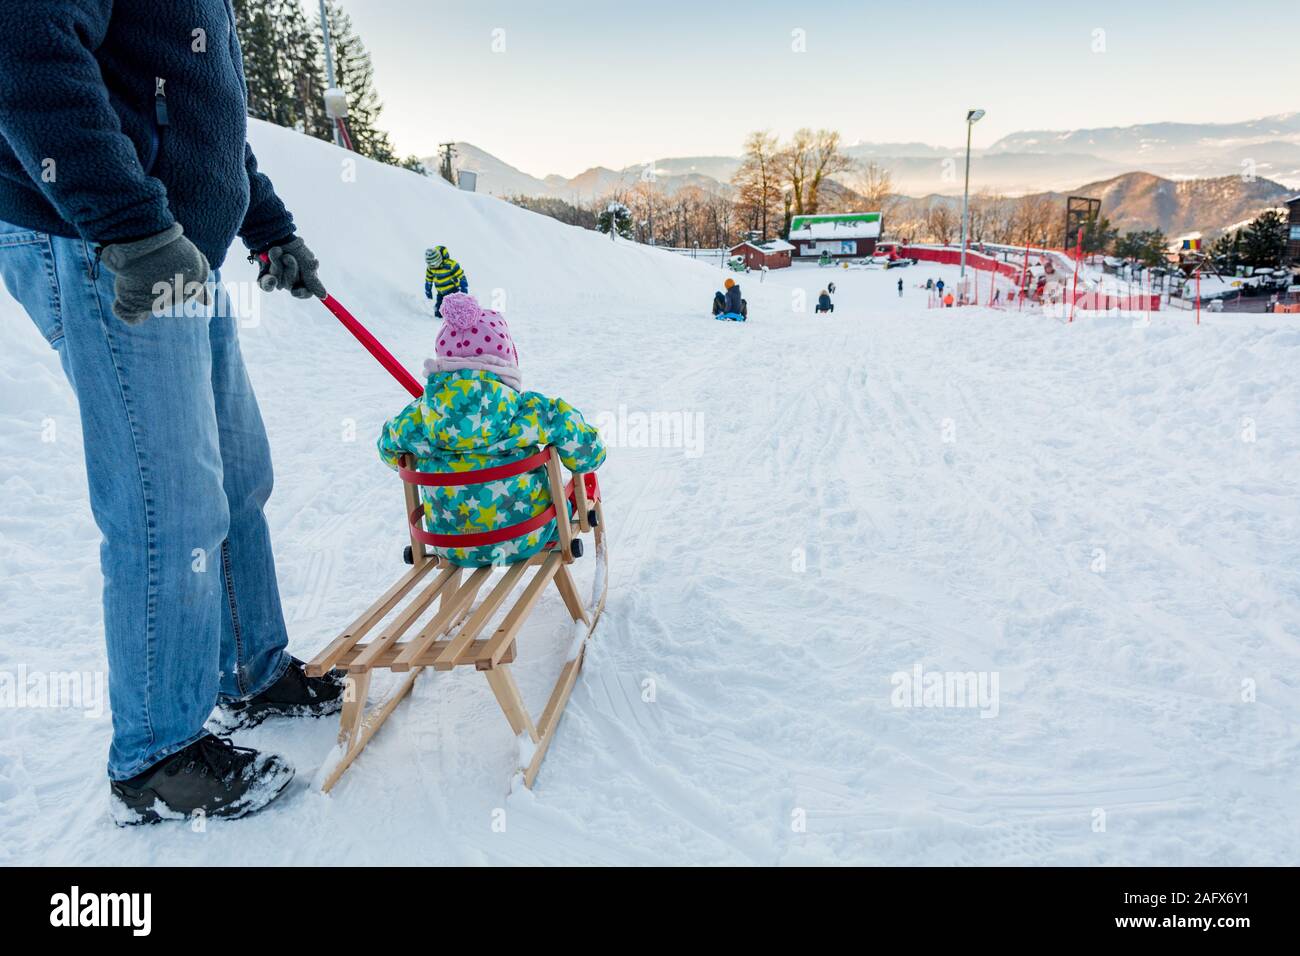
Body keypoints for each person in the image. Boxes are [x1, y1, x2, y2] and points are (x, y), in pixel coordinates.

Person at [0, 0, 346, 824]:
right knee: (168, 504)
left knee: (235, 476)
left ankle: (249, 672)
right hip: (100, 239)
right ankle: (157, 756)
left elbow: (195, 106)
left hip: (173, 239)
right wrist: (127, 225)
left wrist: (268, 227)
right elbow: (23, 47)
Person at [377, 293, 606, 567]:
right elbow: (587, 452)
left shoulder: (420, 415)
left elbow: (388, 450)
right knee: (558, 500)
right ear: (506, 361)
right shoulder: (529, 410)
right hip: (529, 535)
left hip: (450, 544)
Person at [424, 245, 468, 317]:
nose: (434, 266)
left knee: (453, 308)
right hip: (440, 292)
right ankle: (439, 318)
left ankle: (457, 318)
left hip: (453, 291)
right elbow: (429, 279)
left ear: (439, 258)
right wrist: (428, 290)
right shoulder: (430, 268)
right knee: (439, 312)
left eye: (436, 263)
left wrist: (464, 288)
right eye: (431, 264)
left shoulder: (450, 265)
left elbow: (461, 276)